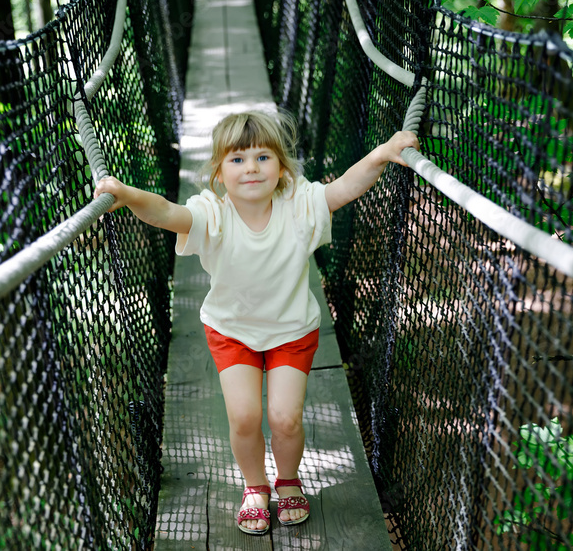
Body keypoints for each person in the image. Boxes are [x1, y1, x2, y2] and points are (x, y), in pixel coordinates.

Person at [94, 109, 419, 535]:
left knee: (286, 418)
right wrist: (127, 194)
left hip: (291, 330)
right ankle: (254, 486)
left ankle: (287, 481)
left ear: (282, 167)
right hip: (232, 331)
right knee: (244, 417)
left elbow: (343, 188)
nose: (251, 167)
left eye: (263, 157)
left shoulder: (299, 204)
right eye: (237, 159)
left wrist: (381, 154)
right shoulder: (213, 214)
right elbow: (165, 212)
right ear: (218, 172)